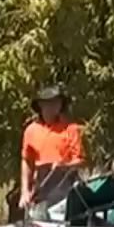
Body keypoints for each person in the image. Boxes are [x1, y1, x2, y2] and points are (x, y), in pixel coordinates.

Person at [21, 85, 86, 213]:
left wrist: (63, 166)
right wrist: (25, 191)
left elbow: (80, 161)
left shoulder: (71, 129)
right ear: (41, 105)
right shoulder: (31, 131)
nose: (54, 106)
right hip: (41, 189)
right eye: (50, 102)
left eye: (57, 102)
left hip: (65, 188)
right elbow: (26, 161)